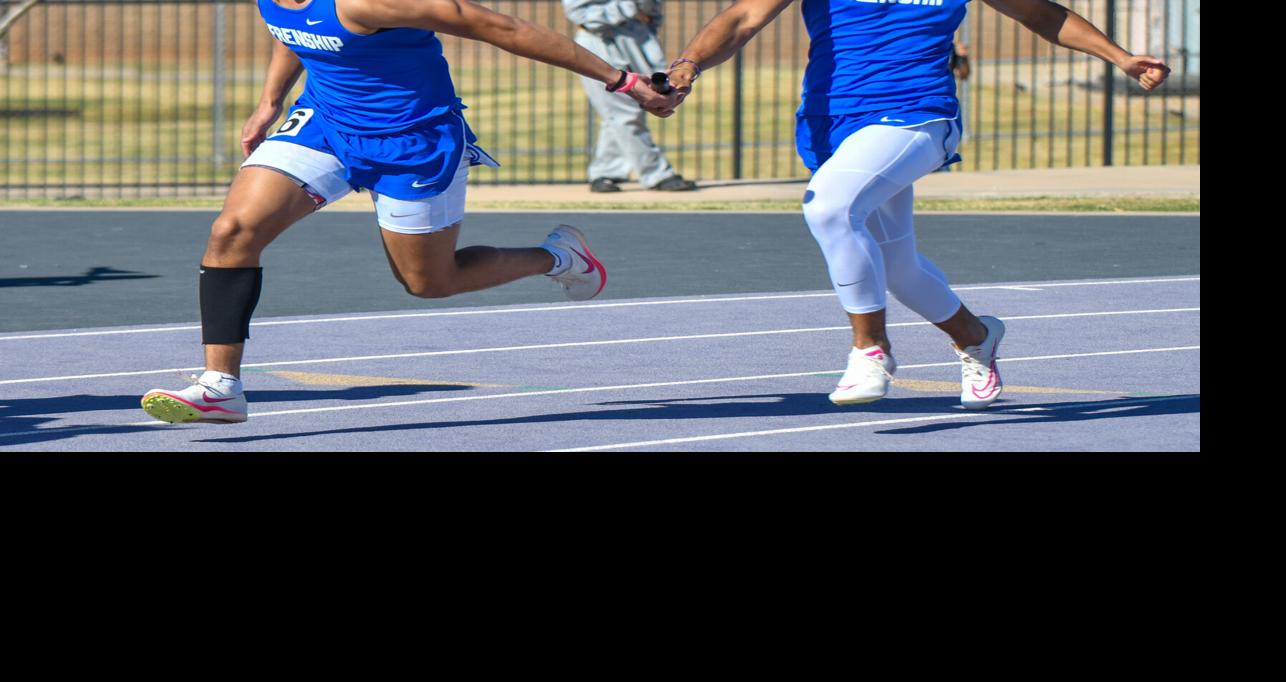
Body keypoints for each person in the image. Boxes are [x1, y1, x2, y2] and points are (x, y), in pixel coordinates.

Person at [140, 0, 678, 425]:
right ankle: (220, 388)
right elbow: (292, 32)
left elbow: (499, 26)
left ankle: (556, 257)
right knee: (233, 230)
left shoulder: (369, 3)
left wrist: (625, 82)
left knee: (429, 281)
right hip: (324, 124)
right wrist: (269, 102)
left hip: (412, 140)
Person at [663, 0, 1168, 408]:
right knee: (898, 268)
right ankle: (975, 336)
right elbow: (743, 17)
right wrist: (688, 63)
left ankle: (870, 351)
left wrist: (1119, 56)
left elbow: (1043, 15)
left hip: (917, 116)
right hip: (833, 120)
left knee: (829, 208)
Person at [563, 0, 697, 192]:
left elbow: (652, 10)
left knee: (619, 111)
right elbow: (582, 15)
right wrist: (631, 6)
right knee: (623, 111)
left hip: (639, 40)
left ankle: (606, 171)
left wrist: (646, 21)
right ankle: (656, 173)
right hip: (600, 43)